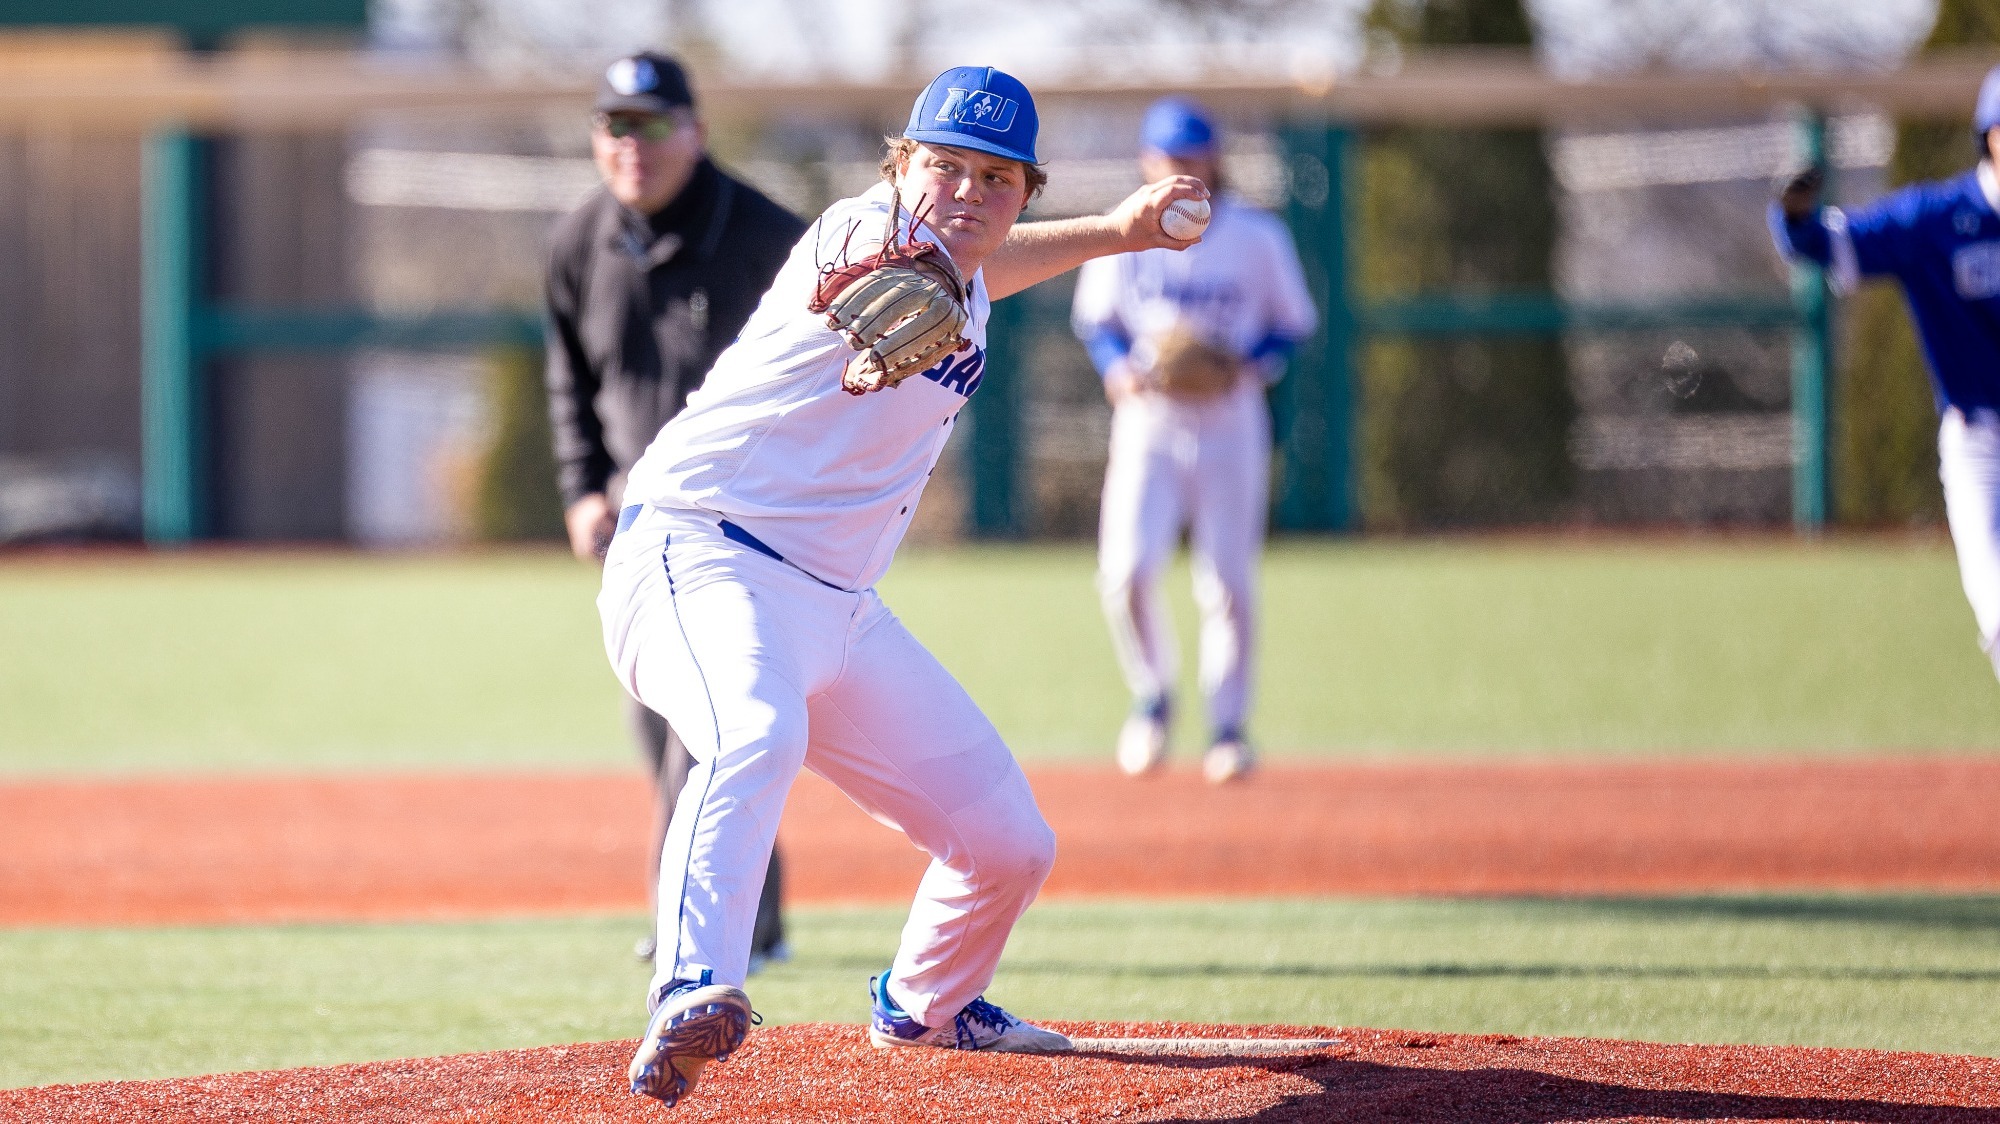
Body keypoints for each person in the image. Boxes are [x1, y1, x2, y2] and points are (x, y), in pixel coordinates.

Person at [597, 65, 1208, 1108]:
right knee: (754, 730)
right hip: (700, 553)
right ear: (898, 166)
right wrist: (889, 287)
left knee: (1006, 843)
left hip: (836, 605)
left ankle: (925, 1003)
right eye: (943, 168)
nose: (967, 194)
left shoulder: (966, 266)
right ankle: (690, 980)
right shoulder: (854, 232)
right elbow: (881, 263)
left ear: (1024, 192)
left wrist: (1118, 230)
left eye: (996, 179)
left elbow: (981, 268)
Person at [543, 51, 805, 969]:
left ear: (694, 130)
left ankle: (690, 933)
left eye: (652, 124)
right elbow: (570, 380)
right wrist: (581, 488)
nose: (632, 145)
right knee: (662, 725)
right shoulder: (579, 241)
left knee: (708, 731)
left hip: (743, 521)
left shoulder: (767, 237)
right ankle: (754, 918)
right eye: (615, 125)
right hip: (633, 524)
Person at [1070, 98, 1318, 784]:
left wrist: (1245, 364)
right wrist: (1118, 370)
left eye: (1193, 155)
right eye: (1169, 156)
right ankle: (1152, 699)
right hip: (1149, 420)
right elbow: (1100, 324)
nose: (1181, 167)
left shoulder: (1255, 235)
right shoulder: (1123, 231)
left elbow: (1290, 323)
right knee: (1125, 572)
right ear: (1149, 161)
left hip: (1230, 419)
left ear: (1215, 158)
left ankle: (1229, 727)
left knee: (1230, 582)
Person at [1770, 65, 2000, 678]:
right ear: (1990, 135)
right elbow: (1835, 243)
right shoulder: (1938, 219)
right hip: (1983, 442)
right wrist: (1796, 219)